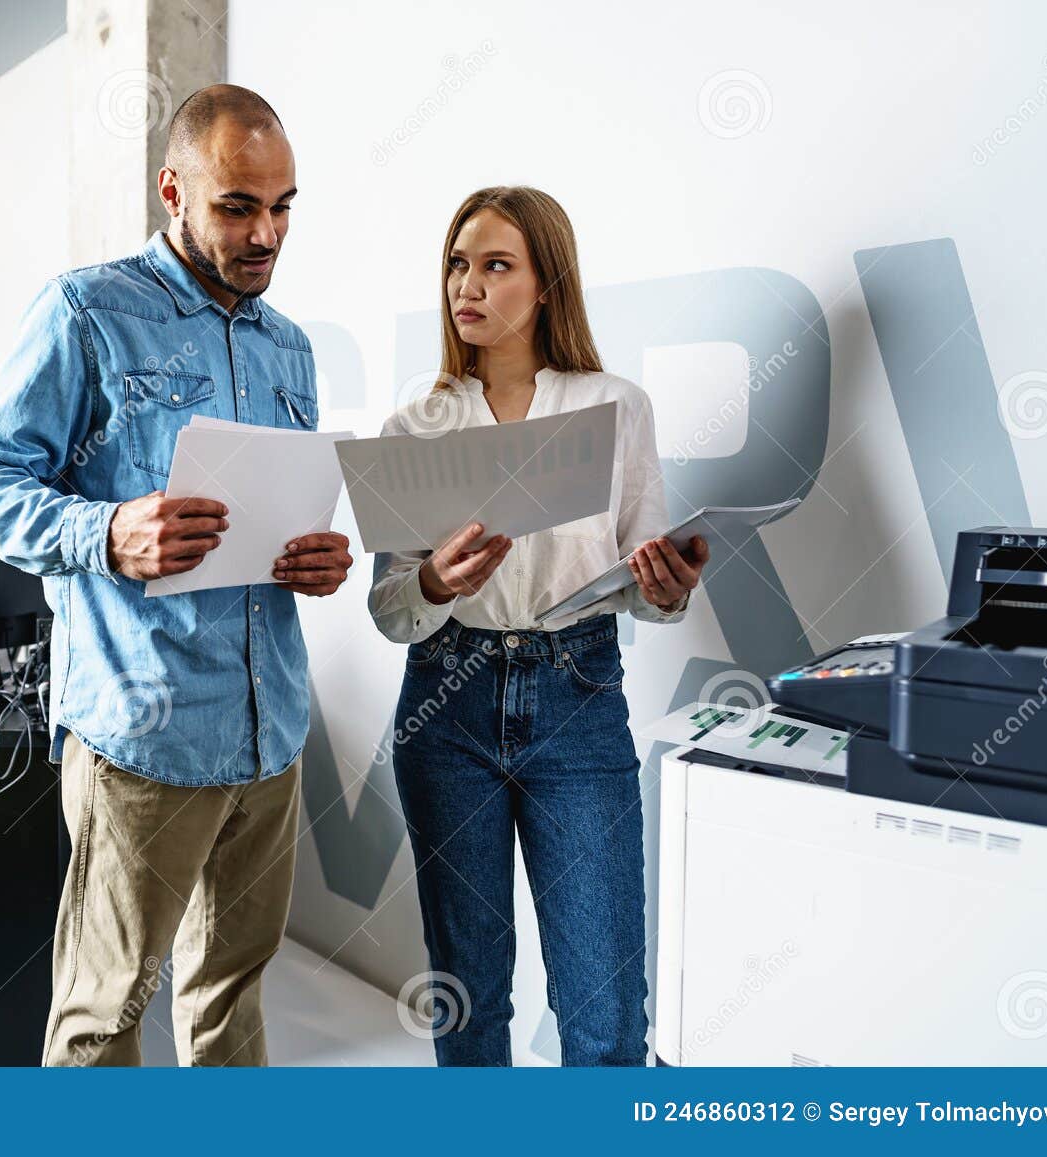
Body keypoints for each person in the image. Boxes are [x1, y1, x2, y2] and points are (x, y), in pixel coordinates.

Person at [0, 84, 352, 1067]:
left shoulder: (290, 347)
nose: (266, 234)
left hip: (270, 731)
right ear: (173, 191)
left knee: (231, 995)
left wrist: (315, 557)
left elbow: (273, 511)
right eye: (237, 207)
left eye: (283, 206)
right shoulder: (87, 312)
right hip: (145, 735)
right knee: (104, 1014)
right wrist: (105, 530)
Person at [368, 186, 708, 1066]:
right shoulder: (415, 425)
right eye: (457, 264)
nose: (467, 285)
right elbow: (390, 608)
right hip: (445, 704)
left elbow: (644, 582)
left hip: (577, 696)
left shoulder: (615, 407)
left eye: (495, 265)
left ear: (547, 282)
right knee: (469, 996)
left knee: (604, 1011)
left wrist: (667, 588)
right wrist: (433, 582)